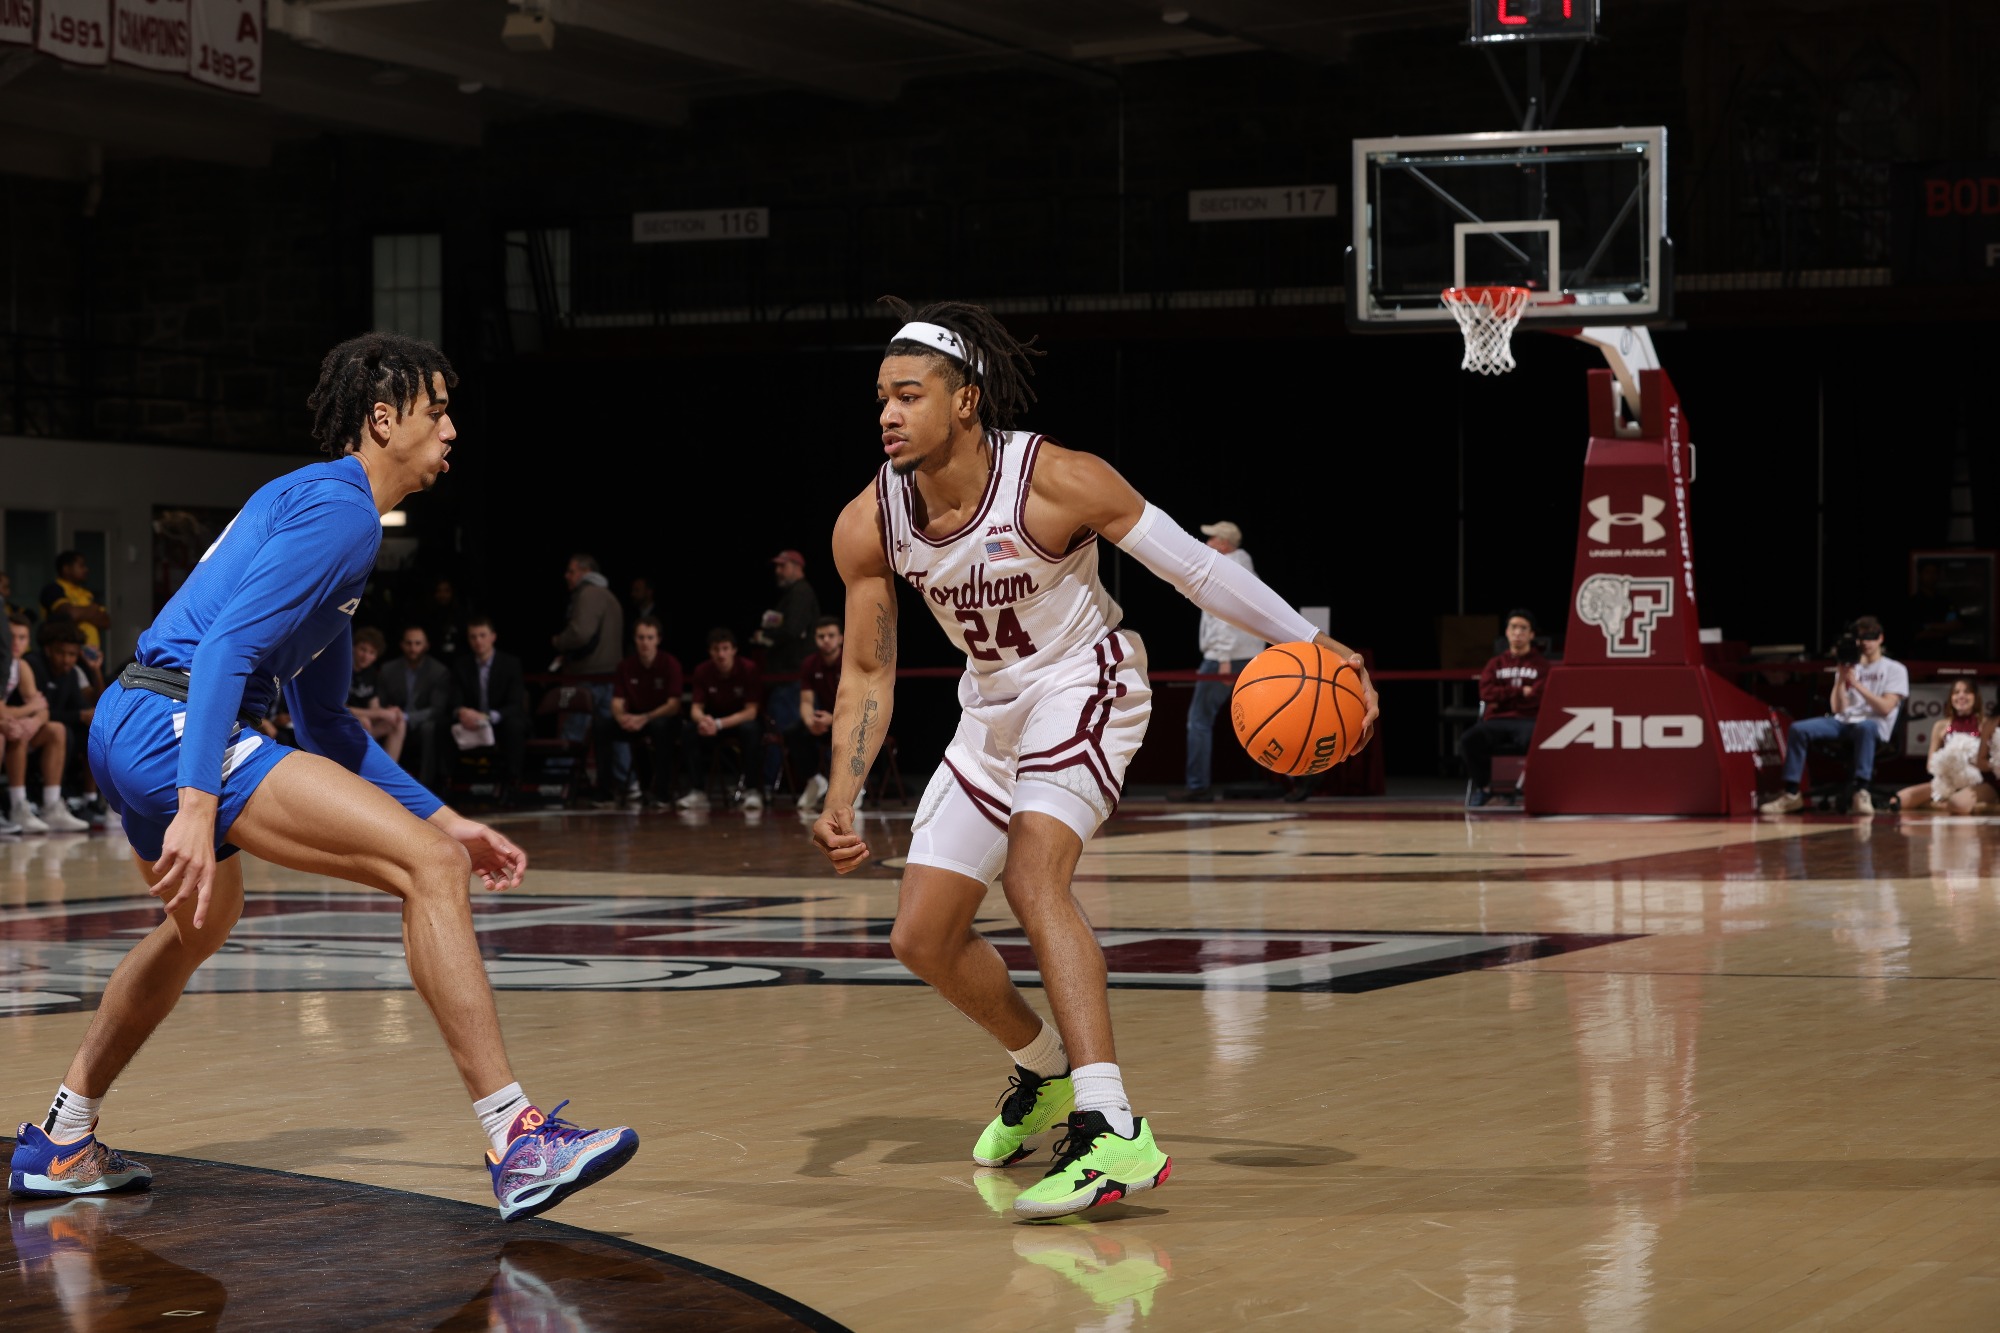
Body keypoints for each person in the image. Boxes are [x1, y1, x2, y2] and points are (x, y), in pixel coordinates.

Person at [6, 331, 635, 1218]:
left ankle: (63, 1139)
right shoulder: (341, 515)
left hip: (134, 717)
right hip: (179, 721)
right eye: (438, 410)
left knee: (202, 927)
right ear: (383, 420)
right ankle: (518, 1138)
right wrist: (197, 802)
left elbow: (329, 725)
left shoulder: (331, 516)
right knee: (430, 873)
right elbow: (225, 646)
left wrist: (445, 814)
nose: (453, 428)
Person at [810, 298, 1377, 1220]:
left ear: (965, 400)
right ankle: (1042, 1072)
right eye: (881, 396)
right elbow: (869, 667)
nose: (887, 413)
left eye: (909, 394)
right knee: (920, 936)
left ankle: (1113, 1126)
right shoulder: (869, 522)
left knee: (1038, 878)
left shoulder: (1056, 479)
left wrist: (1317, 642)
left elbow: (1194, 567)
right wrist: (842, 791)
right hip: (989, 708)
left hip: (1087, 679)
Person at [1762, 615, 1907, 816]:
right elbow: (1838, 708)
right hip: (1843, 722)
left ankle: (1861, 791)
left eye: (1871, 637)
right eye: (1861, 637)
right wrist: (1841, 679)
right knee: (1798, 729)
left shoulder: (1895, 669)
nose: (1866, 642)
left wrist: (1857, 685)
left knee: (1866, 727)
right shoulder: (1850, 665)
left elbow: (1885, 708)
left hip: (1873, 725)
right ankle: (1792, 793)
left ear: (1881, 638)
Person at [1168, 519, 1265, 803]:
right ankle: (1300, 777)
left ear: (1223, 544)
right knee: (1266, 718)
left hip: (1227, 657)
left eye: (1211, 540)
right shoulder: (1246, 566)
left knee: (1198, 720)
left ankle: (1197, 785)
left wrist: (1222, 658)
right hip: (1247, 653)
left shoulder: (1226, 568)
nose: (1207, 544)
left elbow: (1225, 616)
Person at [4, 614, 89, 833]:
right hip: (7, 727)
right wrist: (26, 714)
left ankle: (52, 805)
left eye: (22, 638)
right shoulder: (25, 663)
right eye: (11, 637)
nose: (16, 643)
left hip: (15, 727)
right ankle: (17, 805)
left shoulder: (21, 665)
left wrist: (34, 720)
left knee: (56, 730)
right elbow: (28, 705)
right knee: (13, 731)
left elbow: (41, 707)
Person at [551, 554, 625, 804]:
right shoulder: (609, 595)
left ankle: (555, 783)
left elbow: (581, 633)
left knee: (574, 730)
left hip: (589, 675)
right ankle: (625, 783)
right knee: (611, 733)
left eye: (571, 571)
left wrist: (560, 641)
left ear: (584, 571)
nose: (566, 576)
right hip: (608, 674)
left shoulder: (589, 594)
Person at [1460, 609, 1551, 808]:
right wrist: (1520, 692)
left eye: (1523, 628)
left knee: (1538, 739)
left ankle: (1532, 791)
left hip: (1528, 719)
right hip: (1496, 720)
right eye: (1513, 627)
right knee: (1469, 740)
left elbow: (1538, 696)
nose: (1518, 632)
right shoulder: (1495, 664)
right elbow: (1486, 694)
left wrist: (1502, 696)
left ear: (1532, 634)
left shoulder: (1542, 665)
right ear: (1507, 632)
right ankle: (1485, 789)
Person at [26, 620, 109, 827]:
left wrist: (95, 671)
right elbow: (39, 711)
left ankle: (91, 801)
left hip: (60, 734)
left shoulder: (71, 674)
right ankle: (50, 805)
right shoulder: (33, 665)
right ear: (47, 650)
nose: (66, 660)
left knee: (96, 729)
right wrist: (79, 715)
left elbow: (87, 707)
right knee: (60, 730)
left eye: (72, 655)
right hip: (28, 730)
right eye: (60, 653)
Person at [750, 549, 820, 793]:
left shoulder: (801, 592)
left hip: (791, 676)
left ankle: (770, 786)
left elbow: (792, 630)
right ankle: (785, 784)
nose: (778, 571)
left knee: (781, 733)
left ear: (796, 567)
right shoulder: (790, 595)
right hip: (784, 677)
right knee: (781, 732)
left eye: (783, 566)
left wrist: (765, 635)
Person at [677, 627, 764, 811]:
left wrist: (718, 724)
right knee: (689, 731)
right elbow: (695, 708)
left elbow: (751, 711)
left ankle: (752, 790)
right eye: (716, 649)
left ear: (734, 650)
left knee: (752, 729)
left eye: (725, 648)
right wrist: (703, 720)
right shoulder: (702, 670)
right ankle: (697, 791)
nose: (721, 654)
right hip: (712, 723)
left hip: (738, 723)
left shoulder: (748, 669)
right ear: (710, 652)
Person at [450, 616, 528, 799]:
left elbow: (515, 703)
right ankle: (447, 784)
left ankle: (513, 784)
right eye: (473, 637)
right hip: (470, 721)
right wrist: (462, 711)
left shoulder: (511, 664)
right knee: (440, 724)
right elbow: (454, 700)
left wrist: (486, 717)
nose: (478, 641)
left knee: (515, 725)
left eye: (482, 635)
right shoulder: (462, 665)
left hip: (499, 719)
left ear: (493, 637)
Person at [611, 614, 685, 809]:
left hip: (661, 719)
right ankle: (605, 792)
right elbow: (617, 701)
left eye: (650, 637)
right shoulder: (625, 666)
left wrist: (645, 718)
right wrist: (621, 718)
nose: (645, 642)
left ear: (658, 639)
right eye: (641, 637)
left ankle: (661, 792)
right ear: (634, 639)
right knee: (602, 725)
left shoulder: (670, 664)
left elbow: (674, 705)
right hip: (634, 719)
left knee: (661, 727)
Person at [1893, 677, 1995, 813]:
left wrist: (1967, 768)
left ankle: (1983, 805)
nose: (1961, 696)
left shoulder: (1985, 724)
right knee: (1898, 800)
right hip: (1948, 782)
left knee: (1958, 804)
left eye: (1967, 692)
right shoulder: (1941, 726)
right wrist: (1948, 767)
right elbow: (1930, 765)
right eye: (1956, 692)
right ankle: (1949, 804)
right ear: (1951, 697)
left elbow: (1991, 761)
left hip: (1979, 783)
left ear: (1976, 697)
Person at [376, 625, 454, 793]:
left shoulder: (438, 671)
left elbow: (437, 709)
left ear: (426, 645)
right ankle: (382, 785)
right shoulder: (388, 670)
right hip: (393, 721)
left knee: (430, 727)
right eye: (409, 643)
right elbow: (380, 703)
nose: (413, 648)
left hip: (422, 723)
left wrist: (406, 717)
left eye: (418, 643)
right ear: (402, 645)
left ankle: (425, 786)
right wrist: (392, 713)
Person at [794, 616, 843, 813]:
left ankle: (854, 788)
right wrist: (809, 722)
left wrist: (835, 720)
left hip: (853, 719)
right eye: (821, 636)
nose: (826, 640)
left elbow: (863, 701)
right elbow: (806, 701)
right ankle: (815, 779)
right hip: (824, 719)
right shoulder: (809, 664)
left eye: (831, 635)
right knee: (794, 732)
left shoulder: (850, 659)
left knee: (849, 735)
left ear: (841, 638)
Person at [346, 626, 407, 763]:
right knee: (364, 722)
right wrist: (381, 713)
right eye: (363, 649)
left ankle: (389, 773)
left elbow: (374, 706)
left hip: (365, 721)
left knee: (398, 721)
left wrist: (387, 712)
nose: (366, 656)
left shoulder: (371, 673)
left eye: (372, 653)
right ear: (353, 647)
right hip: (342, 718)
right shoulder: (343, 668)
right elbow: (339, 707)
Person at [39, 551, 109, 666]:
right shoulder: (53, 589)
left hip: (91, 654)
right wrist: (92, 610)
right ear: (66, 569)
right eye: (81, 566)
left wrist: (80, 613)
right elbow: (69, 614)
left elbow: (106, 621)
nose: (86, 569)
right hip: (64, 654)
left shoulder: (87, 593)